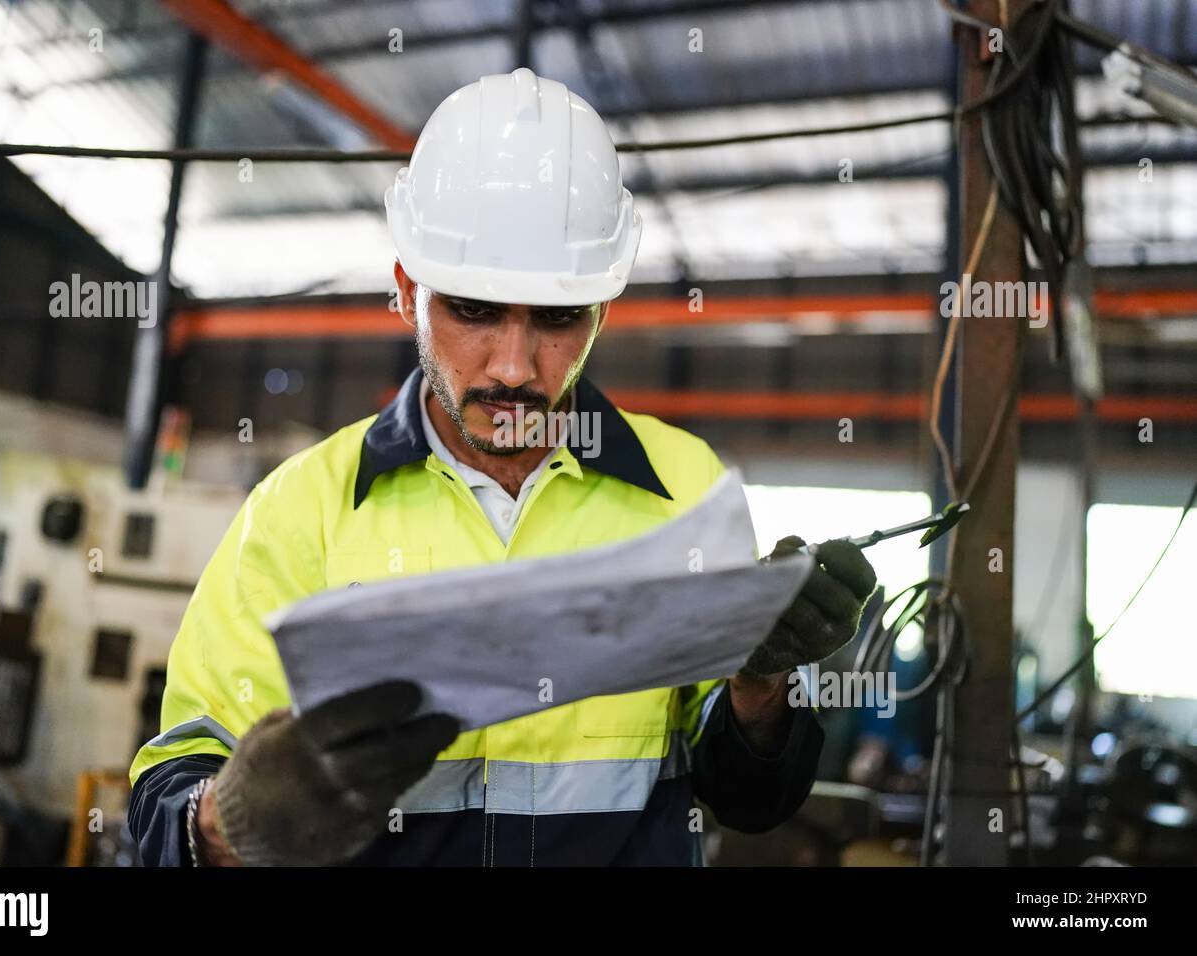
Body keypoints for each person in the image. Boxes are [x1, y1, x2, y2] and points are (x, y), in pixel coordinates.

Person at [128, 68, 876, 866]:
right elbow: (167, 803)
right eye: (474, 310)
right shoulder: (300, 511)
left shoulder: (686, 489)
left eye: (556, 319)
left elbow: (746, 801)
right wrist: (230, 820)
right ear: (408, 290)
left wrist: (759, 688)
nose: (515, 368)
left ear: (601, 309)